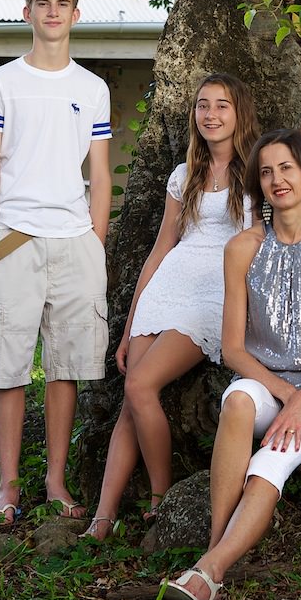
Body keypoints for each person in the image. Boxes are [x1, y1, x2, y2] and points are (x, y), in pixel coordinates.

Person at [163, 129, 301, 600]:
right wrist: (287, 398)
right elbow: (233, 348)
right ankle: (212, 552)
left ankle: (211, 570)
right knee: (237, 399)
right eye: (266, 172)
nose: (277, 179)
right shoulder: (242, 248)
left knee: (270, 461)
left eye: (286, 168)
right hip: (267, 383)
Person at [81, 73, 260, 541]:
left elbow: (266, 249)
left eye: (222, 105)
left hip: (214, 292)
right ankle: (102, 518)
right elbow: (161, 249)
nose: (211, 115)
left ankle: (161, 498)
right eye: (203, 105)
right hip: (168, 285)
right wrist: (129, 327)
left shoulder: (257, 173)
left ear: (238, 114)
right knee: (130, 401)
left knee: (141, 385)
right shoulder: (185, 175)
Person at [0, 0, 112, 524]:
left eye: (62, 3)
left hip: (76, 242)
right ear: (26, 11)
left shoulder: (92, 88)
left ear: (76, 15)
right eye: (42, 2)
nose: (52, 12)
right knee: (8, 366)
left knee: (66, 366)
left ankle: (55, 482)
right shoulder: (2, 81)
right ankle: (8, 489)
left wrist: (95, 240)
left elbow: (100, 175)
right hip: (16, 240)